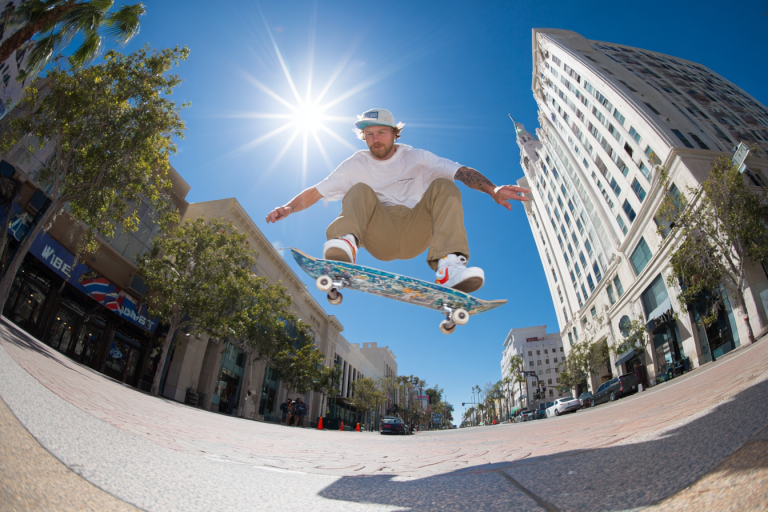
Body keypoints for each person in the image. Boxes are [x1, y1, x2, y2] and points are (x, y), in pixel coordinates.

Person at [266, 108, 530, 292]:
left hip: (417, 229)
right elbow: (316, 192)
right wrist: (288, 207)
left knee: (444, 185)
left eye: (381, 133)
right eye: (369, 135)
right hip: (380, 233)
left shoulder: (418, 157)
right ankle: (345, 245)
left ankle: (449, 267)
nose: (375, 140)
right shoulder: (356, 163)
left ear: (395, 133)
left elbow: (460, 172)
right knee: (358, 189)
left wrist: (492, 190)